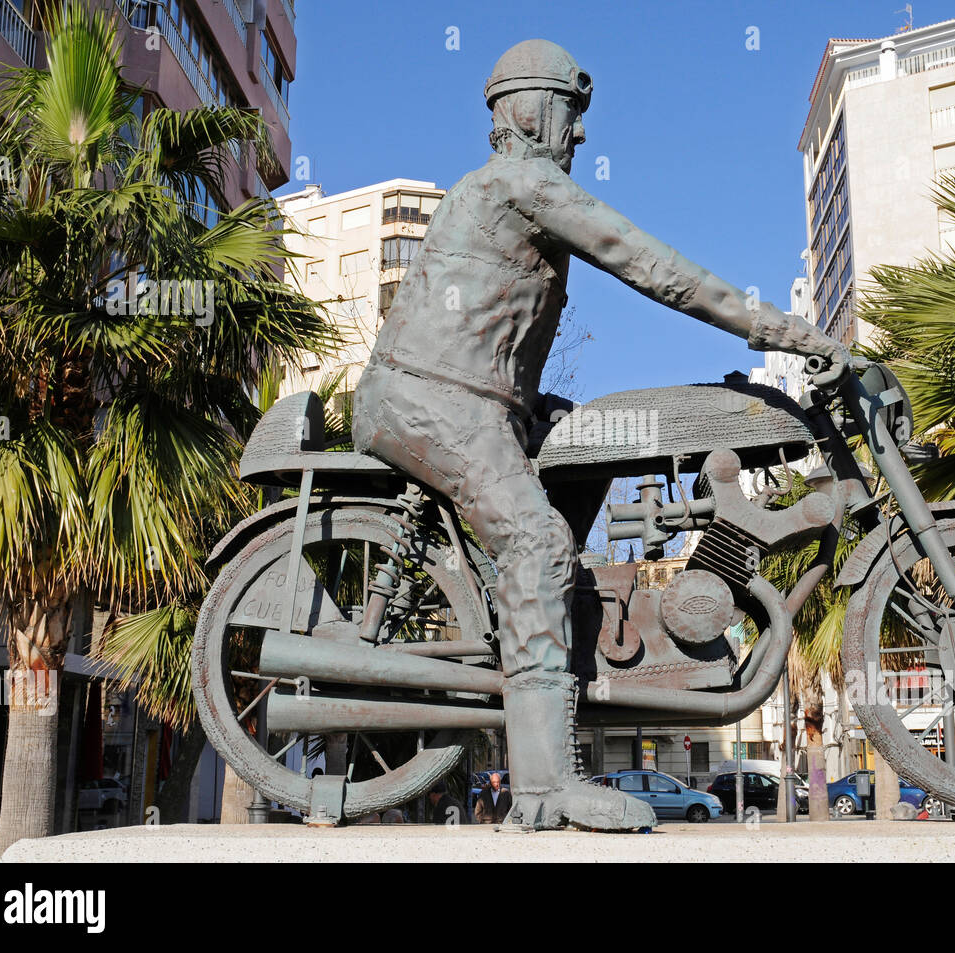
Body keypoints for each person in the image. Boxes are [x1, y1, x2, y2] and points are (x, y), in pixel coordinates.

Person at [353, 40, 850, 833]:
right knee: (540, 546)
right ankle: (545, 790)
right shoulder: (519, 182)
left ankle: (579, 638)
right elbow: (651, 265)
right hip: (433, 401)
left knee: (593, 448)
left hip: (482, 405)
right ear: (528, 109)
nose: (579, 135)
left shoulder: (507, 190)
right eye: (569, 113)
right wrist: (775, 327)